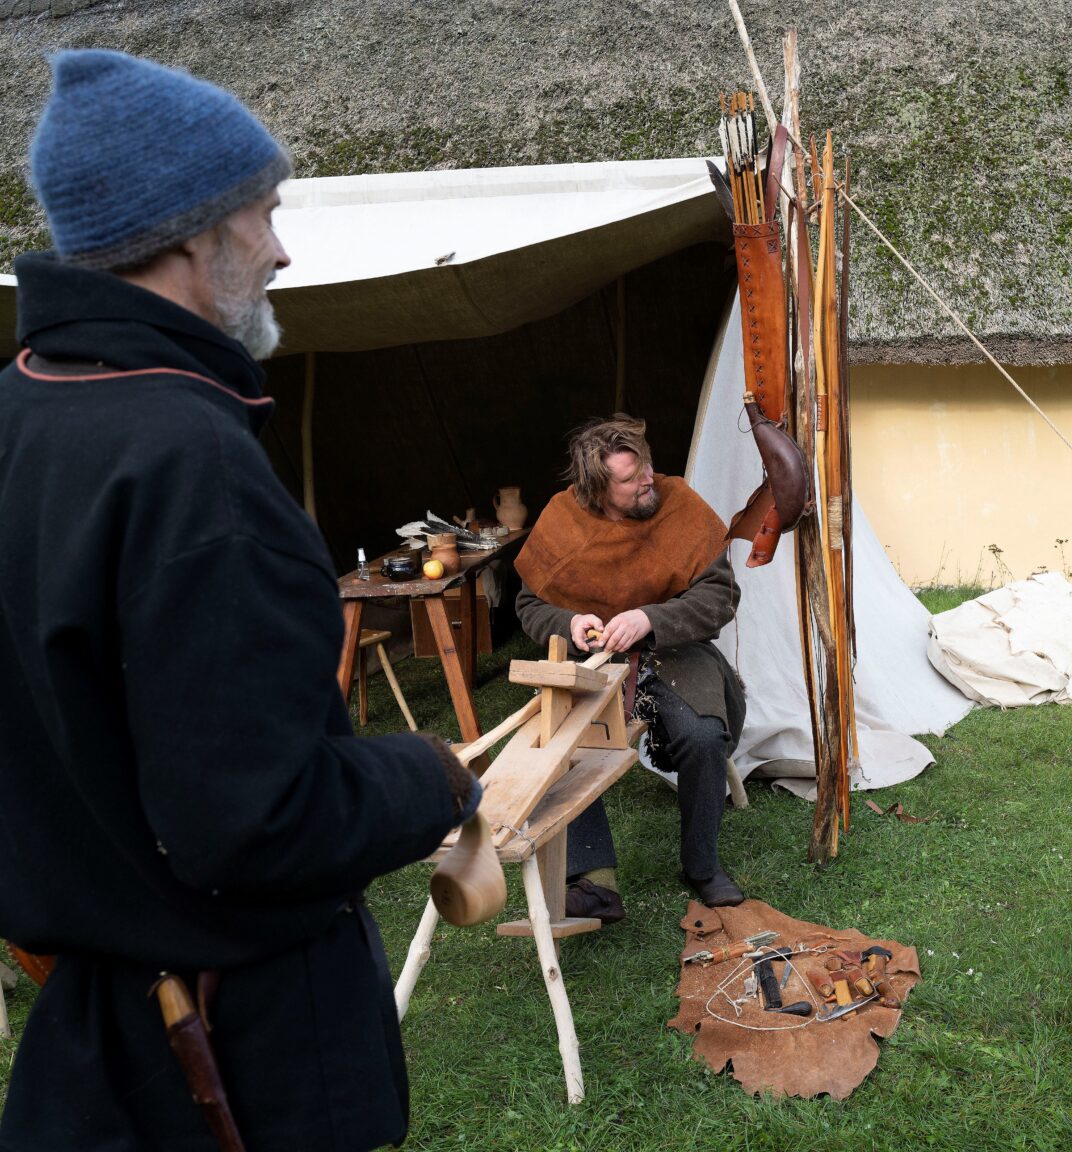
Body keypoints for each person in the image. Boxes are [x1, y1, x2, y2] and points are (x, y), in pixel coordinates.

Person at [0, 51, 481, 1151]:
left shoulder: (18, 414)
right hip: (231, 1051)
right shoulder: (189, 466)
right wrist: (430, 775)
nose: (279, 246)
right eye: (262, 213)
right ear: (187, 233)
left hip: (96, 1044)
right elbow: (256, 826)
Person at [514, 414, 747, 920]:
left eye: (645, 466)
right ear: (597, 490)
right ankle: (594, 879)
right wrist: (570, 623)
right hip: (593, 660)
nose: (647, 480)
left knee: (705, 736)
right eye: (629, 478)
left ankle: (702, 866)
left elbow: (721, 594)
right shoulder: (562, 519)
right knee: (557, 743)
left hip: (673, 650)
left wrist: (650, 617)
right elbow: (529, 606)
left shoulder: (678, 503)